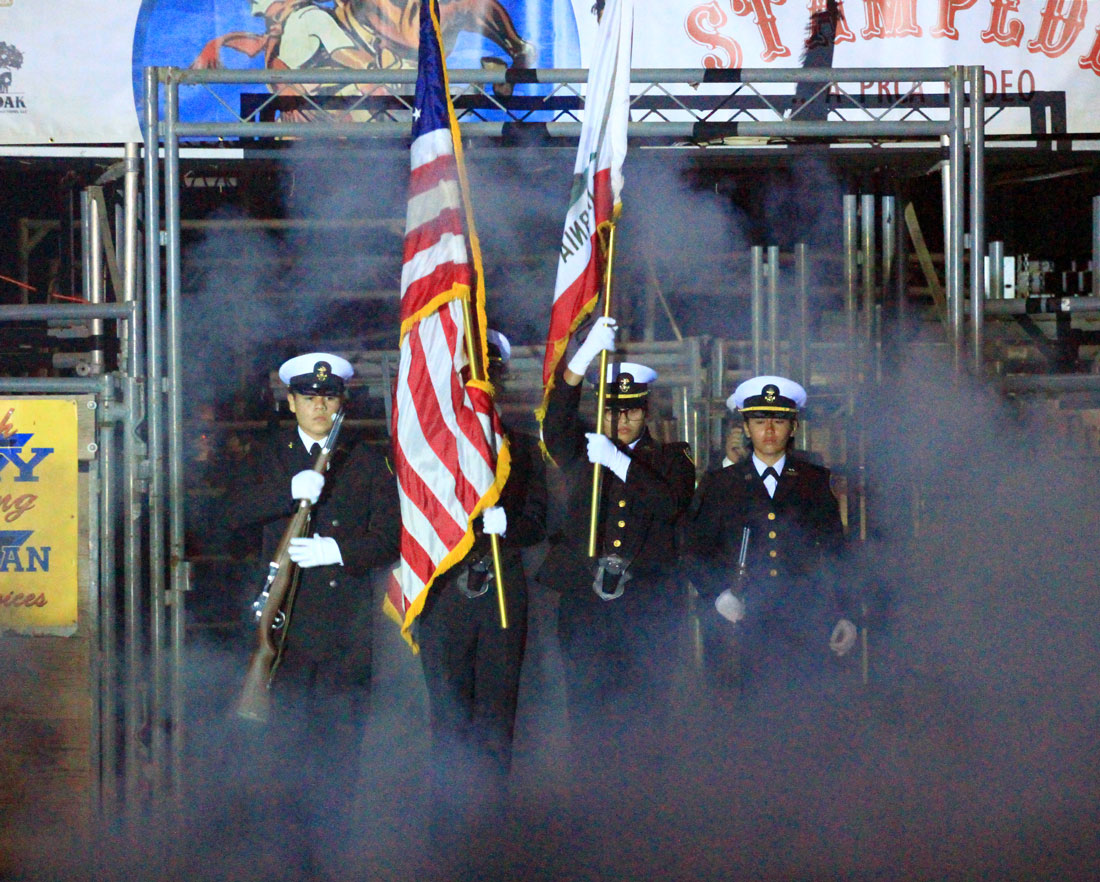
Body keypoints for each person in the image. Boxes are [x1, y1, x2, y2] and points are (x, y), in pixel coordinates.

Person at [221, 351, 400, 876]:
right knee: (285, 762)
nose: (320, 405)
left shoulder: (365, 461)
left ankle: (328, 864)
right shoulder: (266, 455)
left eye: (329, 396)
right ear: (291, 401)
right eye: (309, 396)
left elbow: (388, 540)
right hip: (284, 637)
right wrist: (287, 491)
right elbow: (224, 515)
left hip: (344, 637)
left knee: (341, 764)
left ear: (341, 401)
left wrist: (338, 550)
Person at [413, 330, 547, 836]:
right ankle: (447, 830)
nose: (477, 379)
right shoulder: (429, 441)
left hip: (501, 594)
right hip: (446, 596)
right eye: (469, 368)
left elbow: (539, 522)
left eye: (487, 370)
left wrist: (509, 524)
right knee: (448, 717)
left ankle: (490, 830)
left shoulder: (521, 449)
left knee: (496, 716)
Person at [538, 316, 696, 730]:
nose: (621, 421)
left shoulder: (671, 460)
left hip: (646, 603)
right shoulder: (582, 452)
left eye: (631, 411)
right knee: (587, 715)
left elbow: (669, 506)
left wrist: (620, 463)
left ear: (646, 411)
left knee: (645, 718)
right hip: (586, 604)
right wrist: (582, 359)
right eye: (612, 410)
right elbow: (554, 426)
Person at [683, 374, 856, 698]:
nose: (770, 430)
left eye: (779, 420)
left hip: (804, 622)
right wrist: (719, 594)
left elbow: (837, 552)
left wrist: (844, 613)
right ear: (746, 428)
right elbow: (694, 550)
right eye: (760, 421)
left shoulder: (814, 480)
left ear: (794, 427)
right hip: (740, 623)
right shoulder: (721, 483)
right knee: (744, 723)